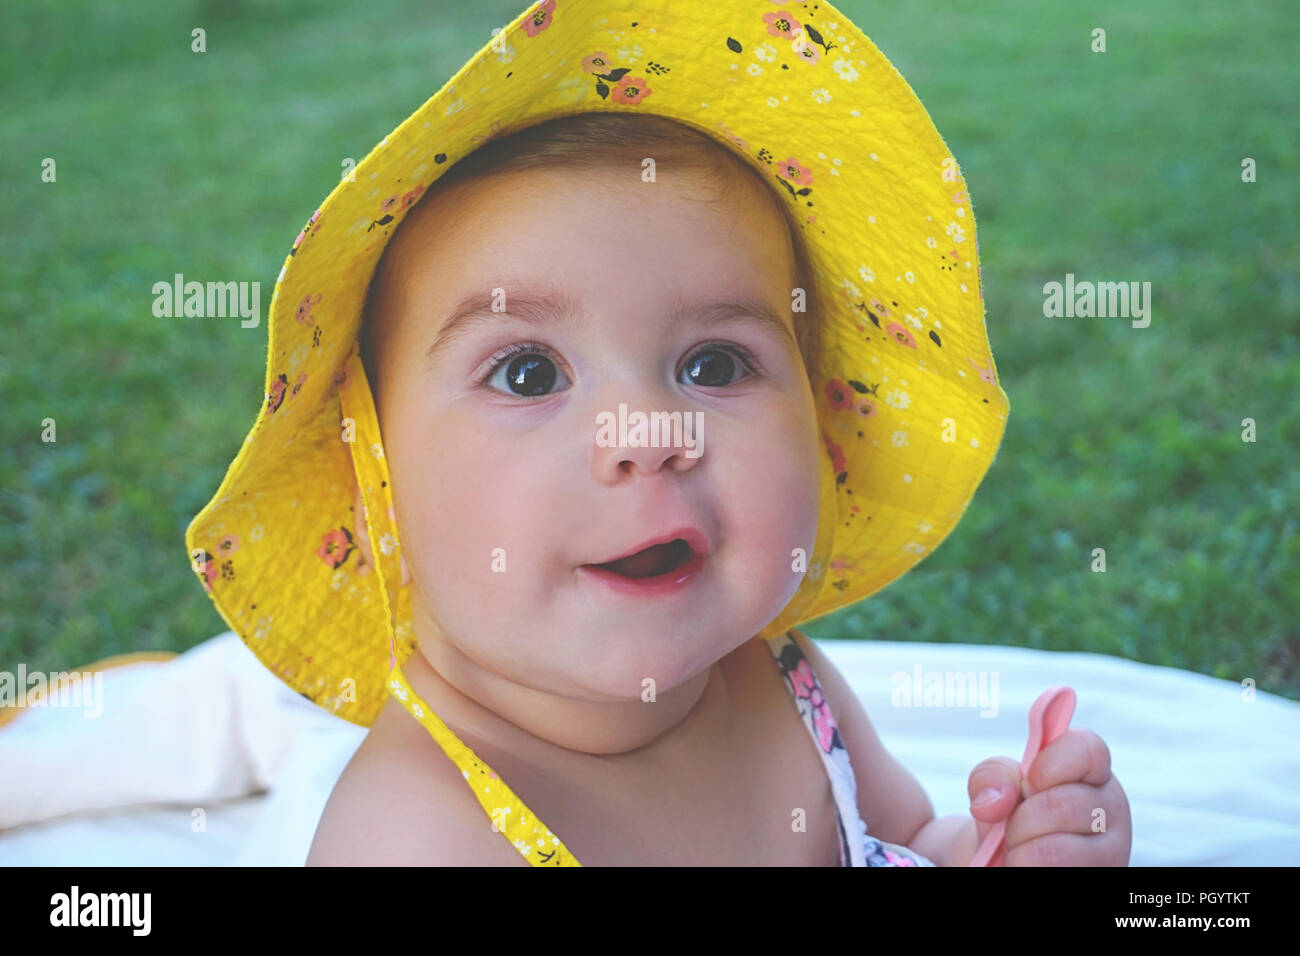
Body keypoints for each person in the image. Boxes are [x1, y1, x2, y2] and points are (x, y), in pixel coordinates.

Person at [186, 0, 1131, 866]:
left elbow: (909, 838)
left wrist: (999, 851)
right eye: (528, 373)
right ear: (378, 477)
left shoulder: (783, 682)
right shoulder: (418, 836)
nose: (647, 432)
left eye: (714, 365)